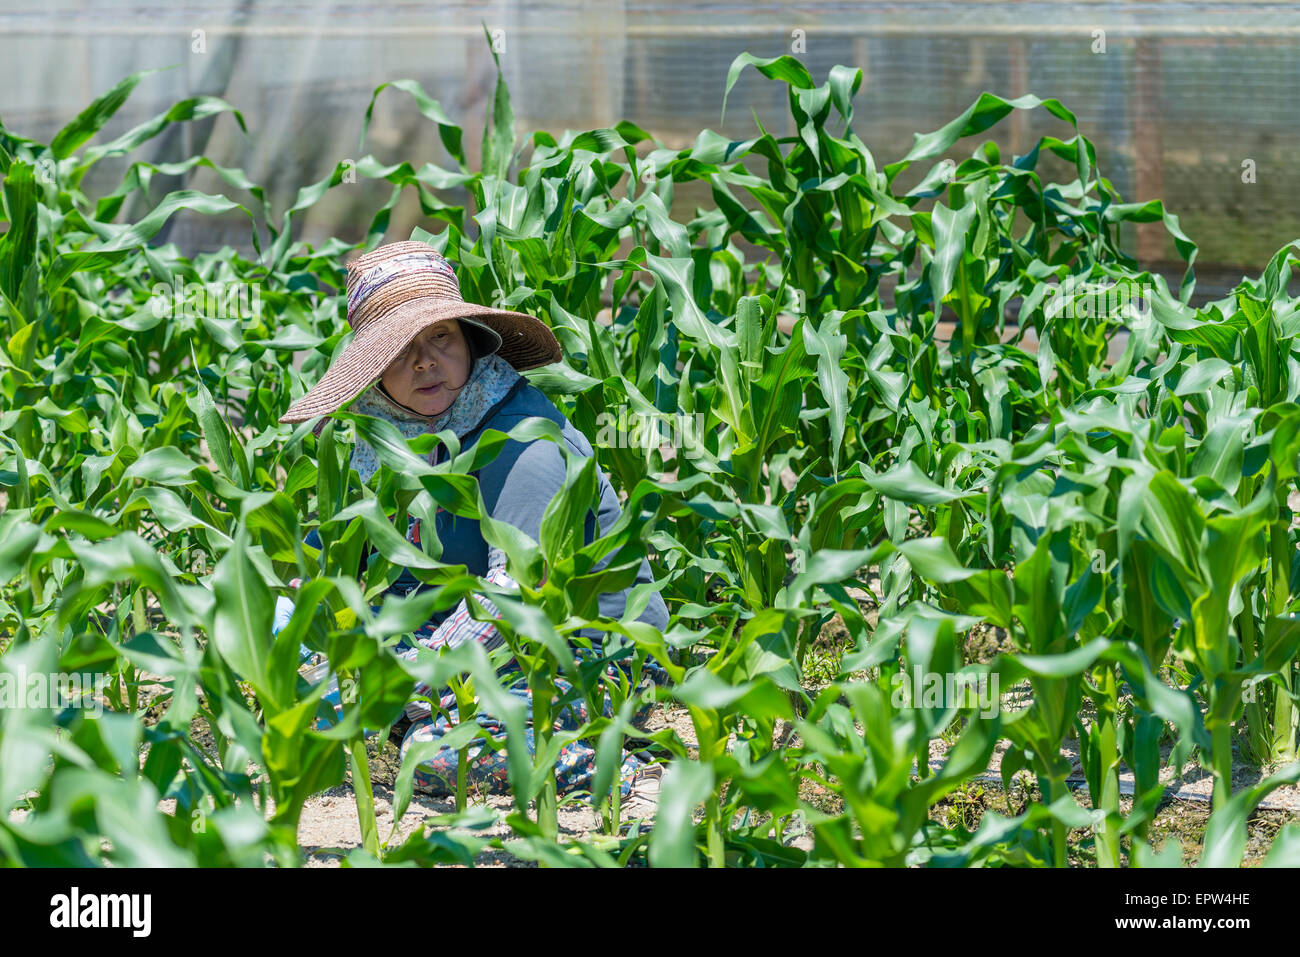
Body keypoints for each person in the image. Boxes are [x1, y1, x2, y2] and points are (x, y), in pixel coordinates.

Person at [275, 240, 667, 818]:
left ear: (470, 341)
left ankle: (613, 765)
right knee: (293, 669)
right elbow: (326, 565)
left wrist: (403, 684)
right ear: (373, 368)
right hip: (445, 646)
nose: (426, 362)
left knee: (436, 756)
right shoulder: (378, 438)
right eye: (401, 348)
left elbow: (517, 593)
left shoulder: (525, 438)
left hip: (578, 656)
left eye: (441, 338)